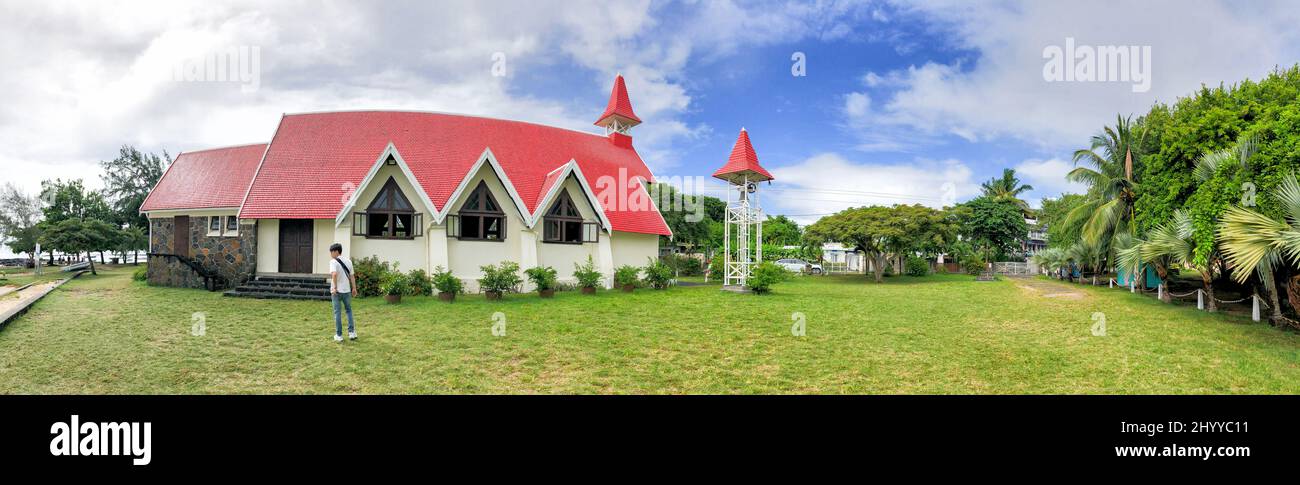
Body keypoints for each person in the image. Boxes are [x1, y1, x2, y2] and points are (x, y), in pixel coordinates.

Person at [328, 243, 358, 342]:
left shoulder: (333, 262)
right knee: (349, 311)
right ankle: (351, 333)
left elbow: (334, 274)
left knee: (337, 313)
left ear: (336, 251)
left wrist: (335, 287)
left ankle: (339, 335)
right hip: (347, 290)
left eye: (331, 252)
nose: (331, 254)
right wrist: (354, 288)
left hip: (336, 292)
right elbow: (352, 276)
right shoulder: (349, 261)